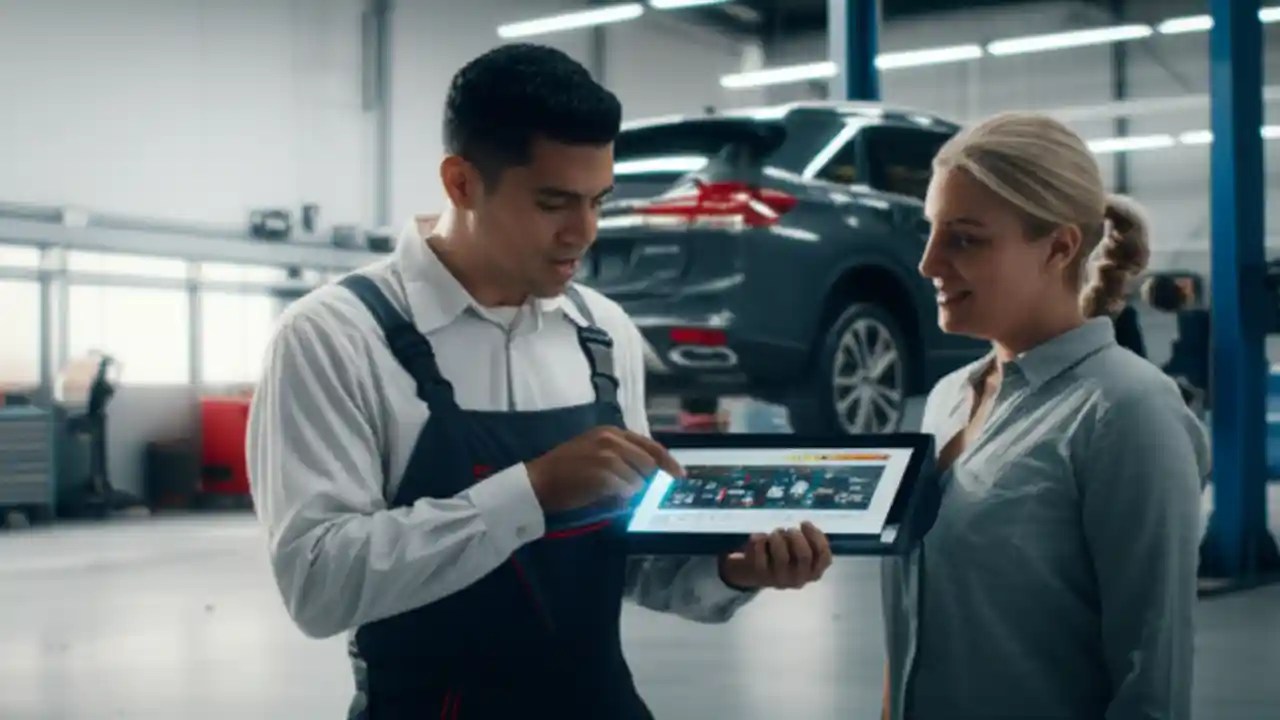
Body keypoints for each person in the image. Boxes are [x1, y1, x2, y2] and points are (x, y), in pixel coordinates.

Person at [247, 43, 833, 720]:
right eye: (553, 203)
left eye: (598, 202)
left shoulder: (603, 331)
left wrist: (731, 571)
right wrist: (532, 489)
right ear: (461, 183)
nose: (582, 234)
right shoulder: (335, 337)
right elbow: (317, 584)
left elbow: (629, 559)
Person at [880, 112, 1210, 720]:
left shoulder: (1127, 412)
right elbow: (911, 630)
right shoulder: (949, 397)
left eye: (965, 238)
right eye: (930, 233)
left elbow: (1151, 678)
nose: (928, 263)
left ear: (1059, 247)